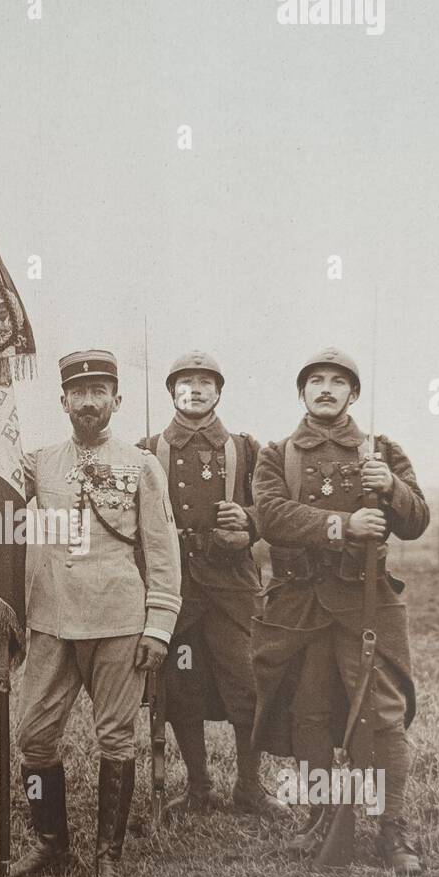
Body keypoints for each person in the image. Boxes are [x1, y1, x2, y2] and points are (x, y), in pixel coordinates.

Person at [250, 347, 430, 875]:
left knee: (384, 716)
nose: (325, 388)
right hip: (299, 603)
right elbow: (272, 516)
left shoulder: (382, 451)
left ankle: (390, 829)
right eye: (315, 381)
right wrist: (342, 525)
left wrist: (390, 488)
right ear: (302, 392)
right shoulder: (275, 453)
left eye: (337, 381)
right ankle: (320, 815)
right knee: (308, 713)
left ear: (353, 394)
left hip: (365, 600)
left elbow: (416, 520)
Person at [13, 350, 182, 877]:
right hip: (52, 620)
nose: (88, 401)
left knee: (116, 738)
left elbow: (162, 550)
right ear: (63, 401)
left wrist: (158, 626)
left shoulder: (141, 465)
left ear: (116, 400)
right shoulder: (38, 462)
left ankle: (107, 857)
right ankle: (50, 843)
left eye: (99, 391)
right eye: (78, 392)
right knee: (34, 736)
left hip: (117, 619)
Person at [139, 350, 285, 816]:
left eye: (205, 381)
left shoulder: (245, 448)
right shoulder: (147, 449)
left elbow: (275, 508)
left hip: (232, 589)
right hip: (175, 590)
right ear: (172, 392)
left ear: (219, 392)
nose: (196, 389)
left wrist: (247, 521)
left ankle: (249, 787)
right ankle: (198, 787)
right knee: (181, 688)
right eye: (185, 382)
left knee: (246, 684)